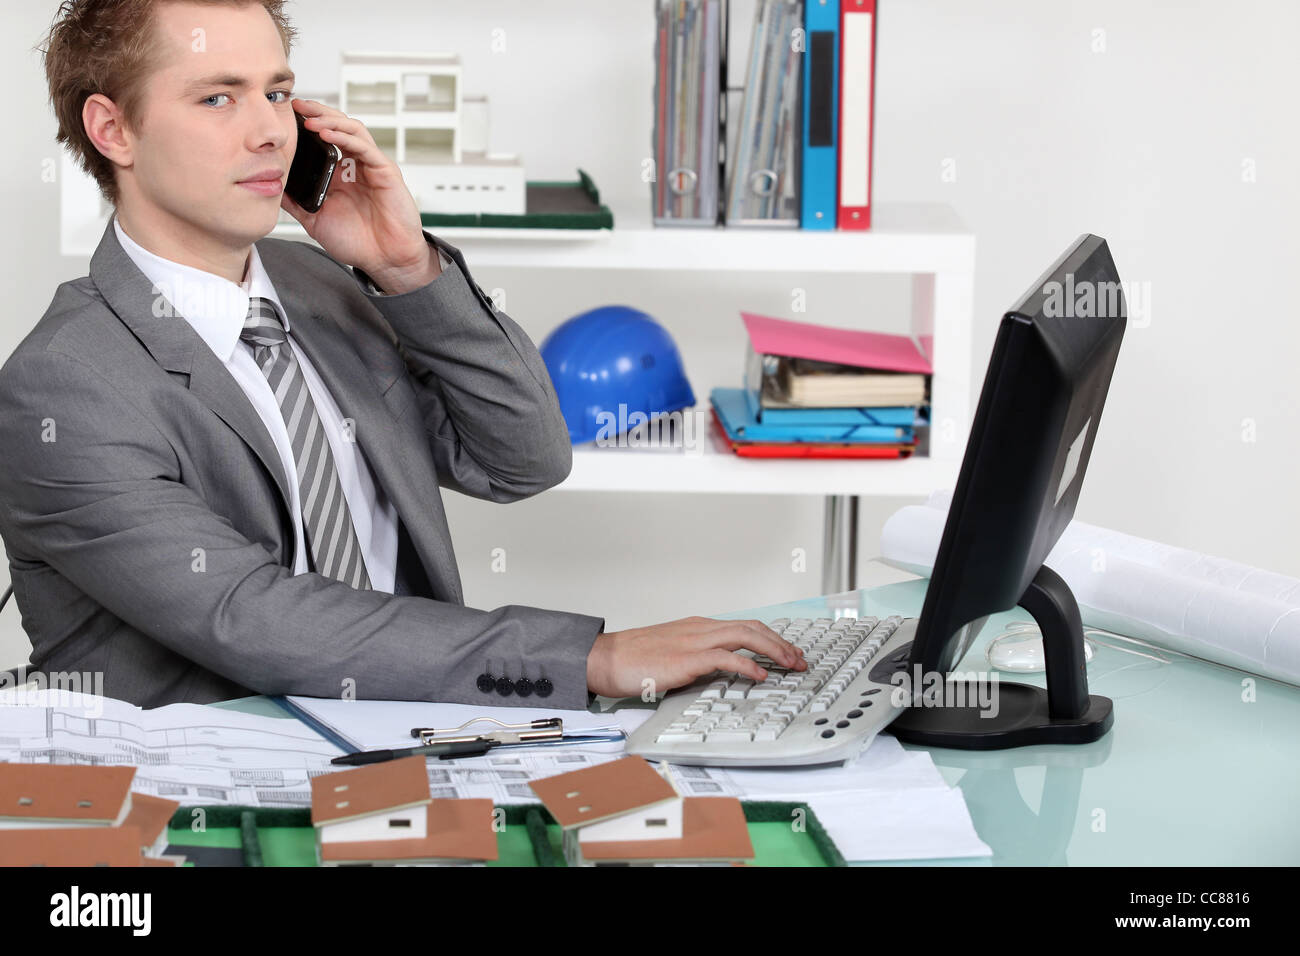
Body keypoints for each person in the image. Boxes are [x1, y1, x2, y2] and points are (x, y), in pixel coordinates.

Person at [0, 0, 805, 708]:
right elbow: (252, 619)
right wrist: (589, 656)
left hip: (414, 725)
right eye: (218, 97)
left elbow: (524, 459)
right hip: (208, 784)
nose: (270, 129)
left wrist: (408, 268)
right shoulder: (63, 386)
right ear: (114, 130)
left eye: (278, 92)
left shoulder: (320, 285)